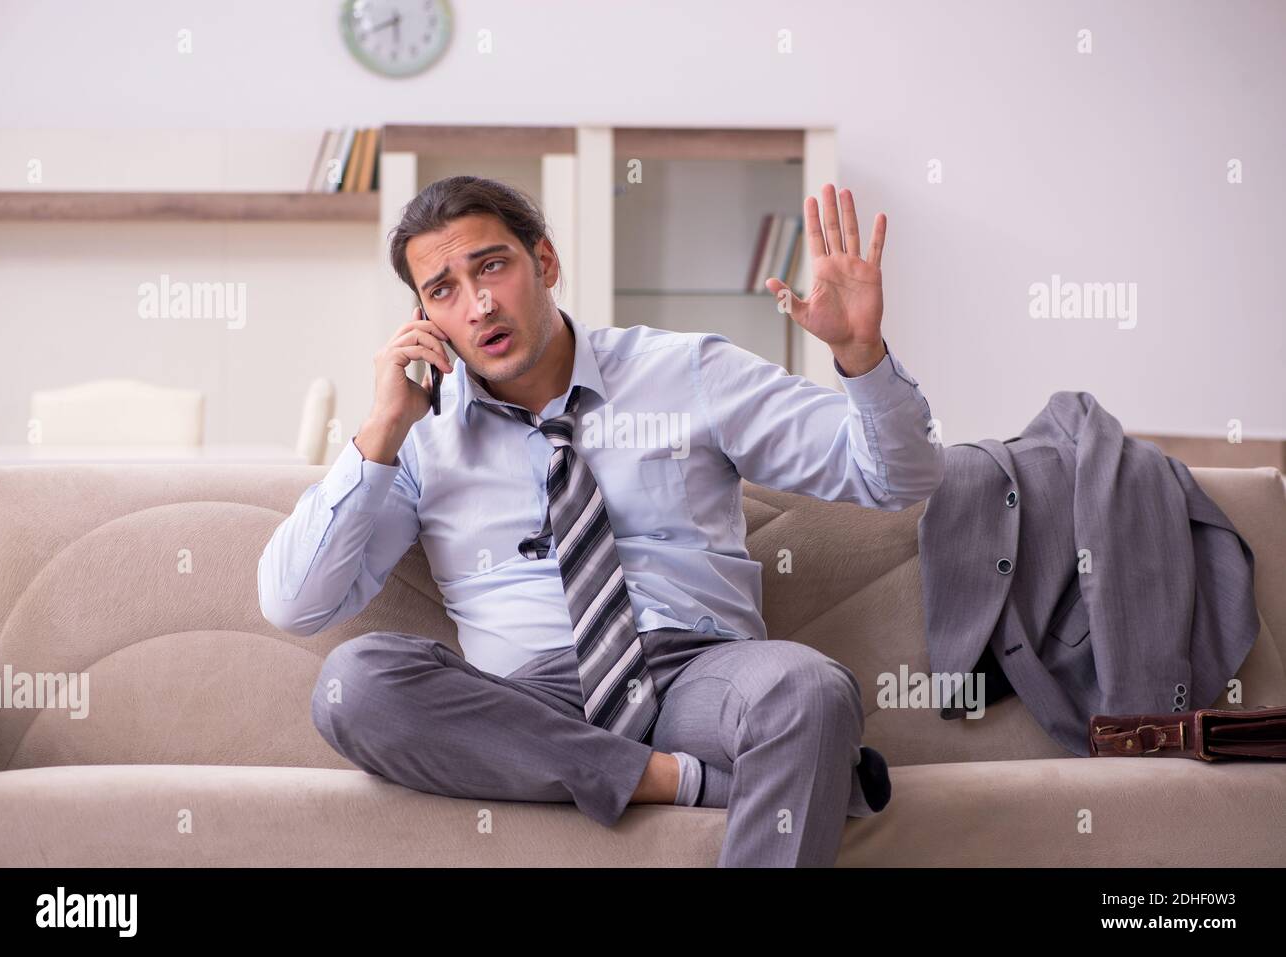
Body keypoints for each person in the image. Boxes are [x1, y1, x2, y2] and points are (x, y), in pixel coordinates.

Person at [258, 175, 945, 866]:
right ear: (425, 317)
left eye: (492, 265)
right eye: (444, 289)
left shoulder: (685, 371)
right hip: (533, 701)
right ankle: (684, 781)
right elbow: (295, 602)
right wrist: (382, 425)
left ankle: (681, 771)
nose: (480, 302)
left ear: (545, 262)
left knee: (809, 689)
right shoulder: (419, 435)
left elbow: (899, 478)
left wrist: (862, 357)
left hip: (696, 673)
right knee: (357, 685)